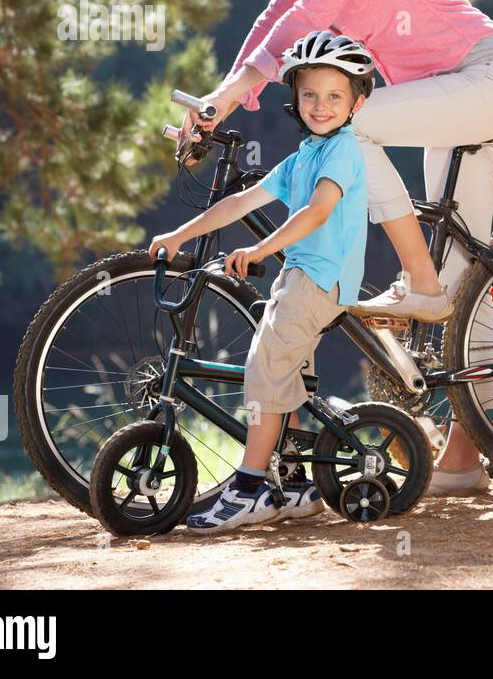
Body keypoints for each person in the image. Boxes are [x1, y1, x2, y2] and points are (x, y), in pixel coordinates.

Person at [181, 0, 493, 496]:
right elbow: (275, 18)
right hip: (444, 93)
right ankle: (466, 455)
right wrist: (222, 96)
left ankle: (420, 283)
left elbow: (312, 17)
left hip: (486, 76)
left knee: (353, 128)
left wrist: (234, 94)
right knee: (471, 269)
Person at [150, 31, 374, 532]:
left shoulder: (342, 152)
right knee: (285, 377)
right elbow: (239, 203)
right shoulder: (303, 156)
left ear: (357, 102)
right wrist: (179, 234)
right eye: (310, 94)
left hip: (319, 280)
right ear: (295, 98)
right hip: (302, 277)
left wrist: (259, 250)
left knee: (262, 369)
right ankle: (295, 483)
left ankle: (250, 486)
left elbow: (318, 211)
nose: (320, 105)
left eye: (335, 96)